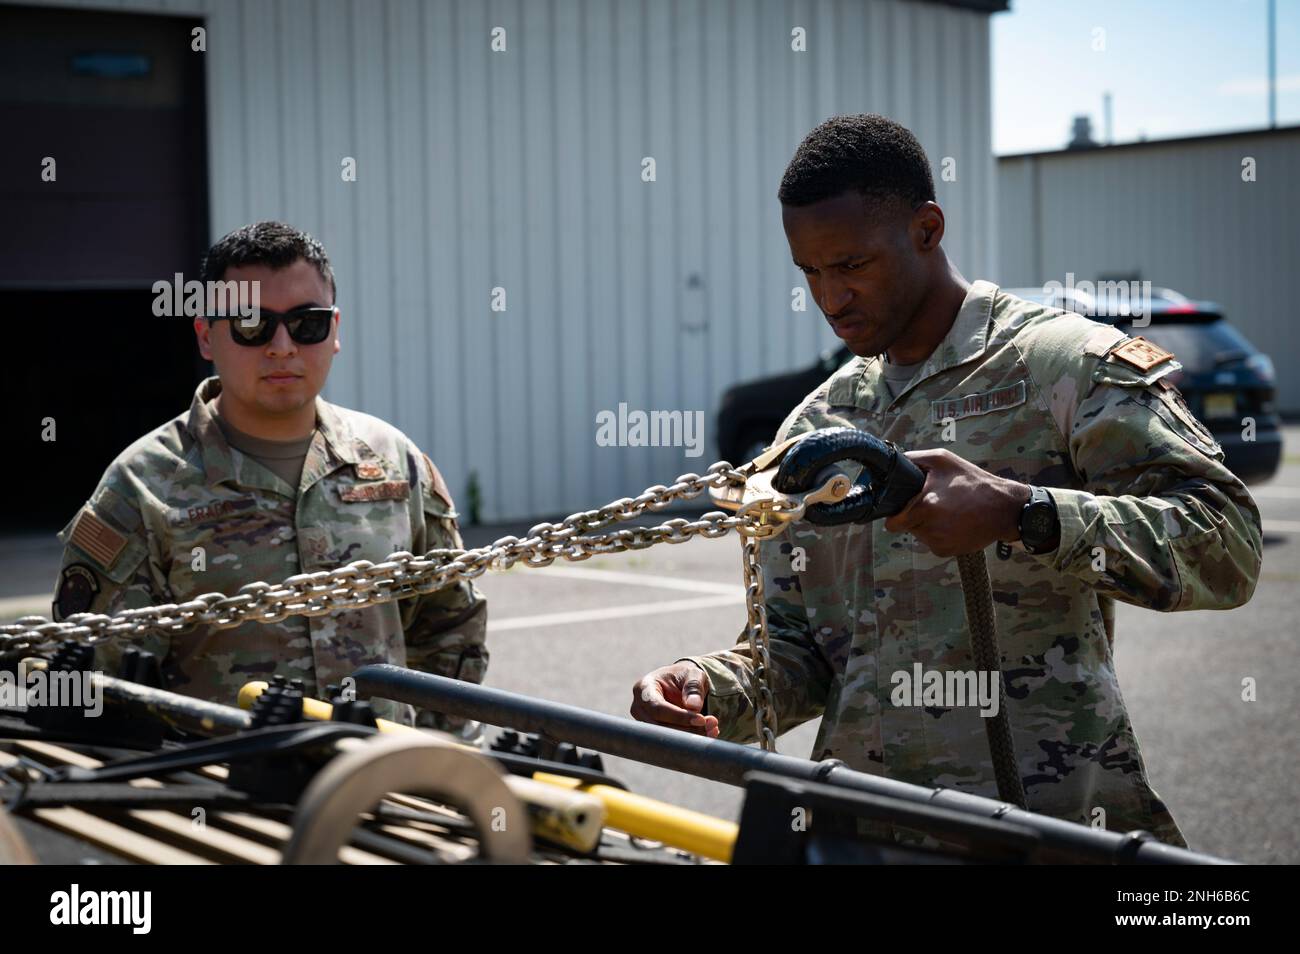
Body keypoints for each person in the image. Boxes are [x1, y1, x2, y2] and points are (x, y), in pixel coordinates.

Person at [630, 115, 1262, 845]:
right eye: (811, 273)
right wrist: (705, 683)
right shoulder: (818, 425)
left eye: (852, 266)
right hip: (866, 835)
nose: (831, 299)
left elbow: (1231, 546)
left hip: (1044, 830)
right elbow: (799, 652)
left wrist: (1023, 512)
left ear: (927, 229)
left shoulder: (1063, 368)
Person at [52, 221, 487, 732]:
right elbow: (104, 683)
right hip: (220, 797)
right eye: (251, 324)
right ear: (206, 336)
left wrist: (441, 774)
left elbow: (449, 632)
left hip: (378, 791)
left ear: (335, 331)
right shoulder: (141, 487)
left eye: (307, 323)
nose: (282, 346)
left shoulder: (396, 464)